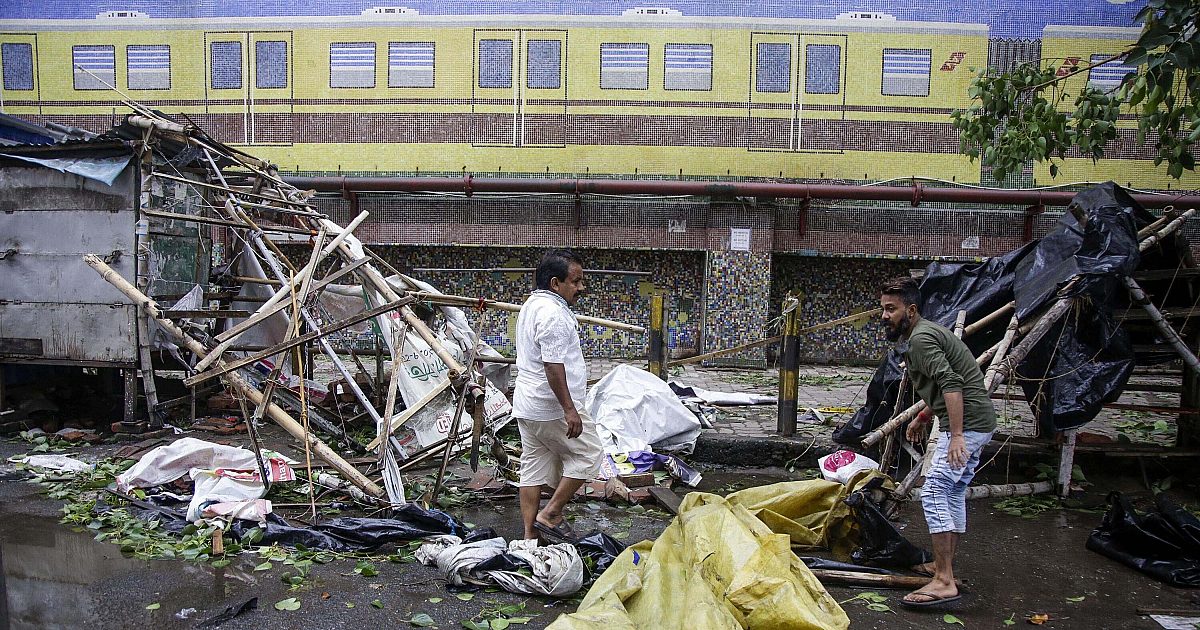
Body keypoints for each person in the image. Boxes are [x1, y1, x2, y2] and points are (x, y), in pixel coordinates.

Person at [878, 277, 996, 610]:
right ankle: (943, 569)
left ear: (910, 310)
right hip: (974, 422)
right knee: (952, 491)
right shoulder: (924, 333)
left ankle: (944, 580)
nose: (884, 315)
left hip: (968, 425)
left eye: (891, 309)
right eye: (883, 308)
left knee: (934, 492)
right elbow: (944, 382)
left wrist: (957, 435)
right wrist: (922, 417)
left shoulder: (921, 340)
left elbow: (952, 382)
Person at [513, 249, 603, 543]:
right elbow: (553, 365)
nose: (581, 288)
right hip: (550, 407)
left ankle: (529, 538)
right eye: (576, 282)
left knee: (534, 466)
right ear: (555, 283)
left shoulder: (532, 304)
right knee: (589, 453)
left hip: (527, 405)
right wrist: (570, 409)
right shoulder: (553, 314)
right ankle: (550, 513)